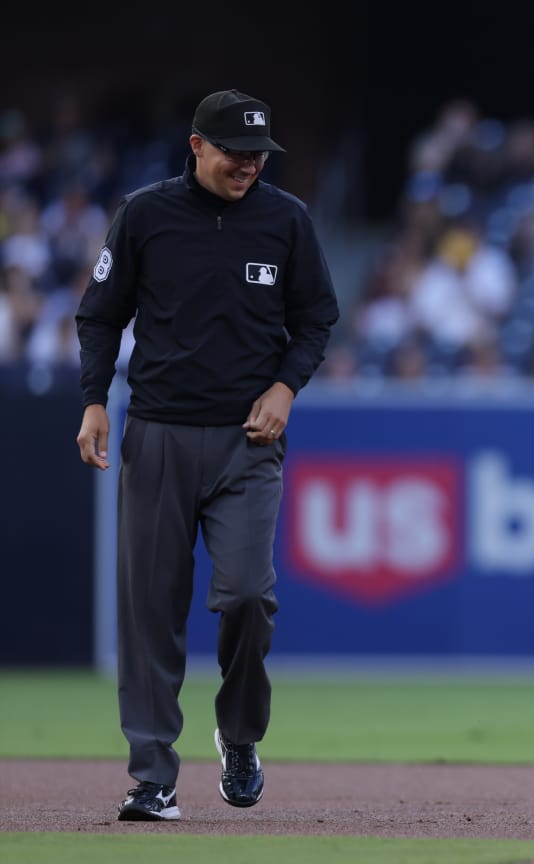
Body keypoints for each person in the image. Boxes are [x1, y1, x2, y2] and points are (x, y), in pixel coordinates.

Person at [74, 89, 339, 821]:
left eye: (258, 155)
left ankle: (239, 733)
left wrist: (286, 386)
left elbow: (317, 316)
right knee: (150, 614)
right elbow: (99, 314)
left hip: (246, 442)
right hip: (157, 432)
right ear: (196, 146)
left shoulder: (286, 219)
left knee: (249, 595)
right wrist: (95, 398)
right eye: (234, 153)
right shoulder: (146, 213)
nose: (249, 166)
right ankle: (153, 776)